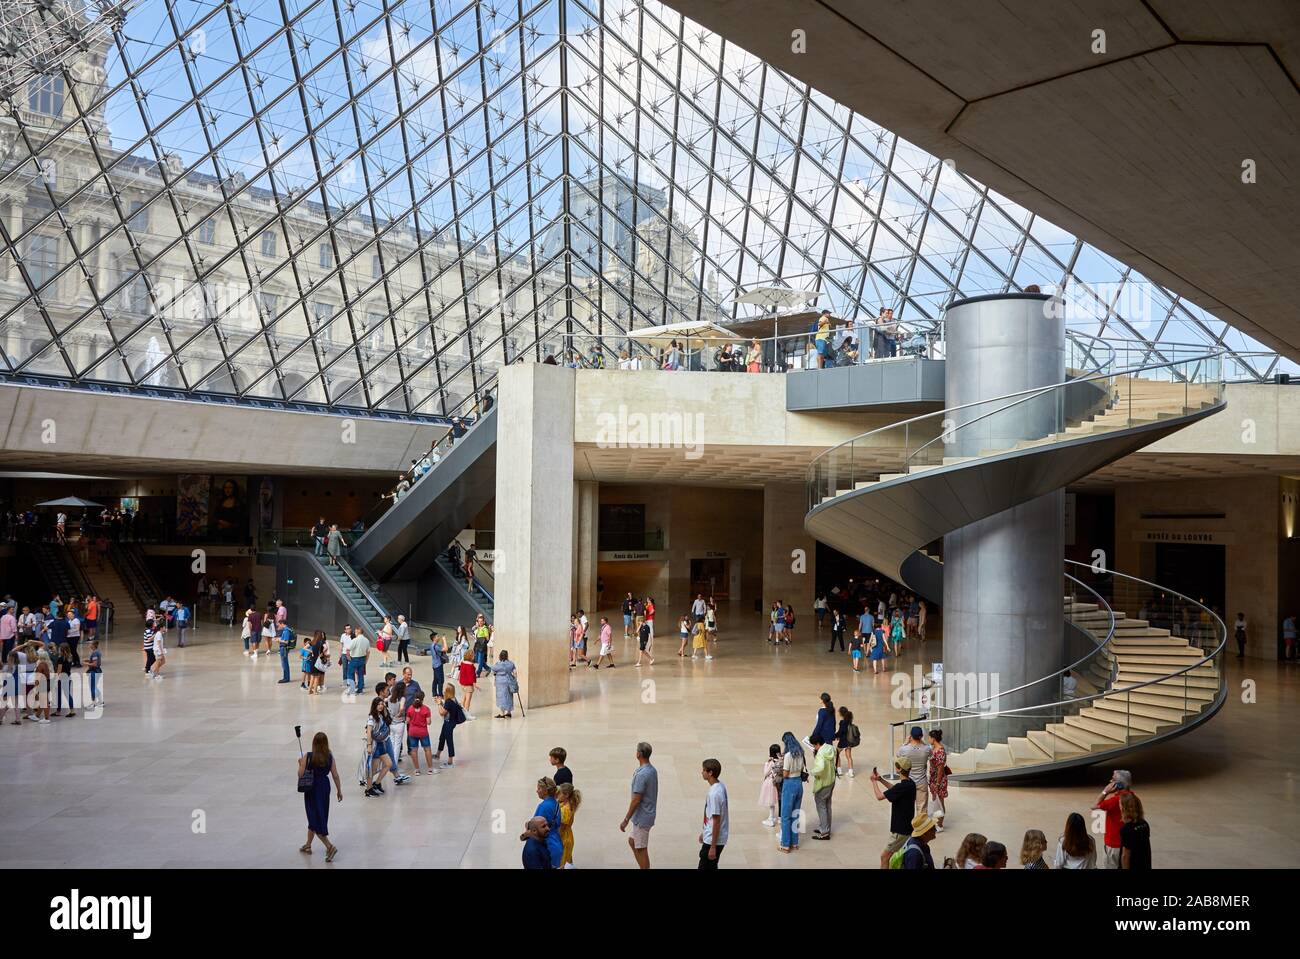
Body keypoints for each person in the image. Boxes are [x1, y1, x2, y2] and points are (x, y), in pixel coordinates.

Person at [298, 731, 342, 861]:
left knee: (314, 818)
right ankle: (308, 845)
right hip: (324, 786)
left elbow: (300, 774)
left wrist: (300, 764)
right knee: (318, 815)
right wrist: (339, 790)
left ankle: (329, 847)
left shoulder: (308, 756)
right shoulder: (329, 756)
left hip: (312, 788)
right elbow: (335, 775)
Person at [871, 757, 916, 868]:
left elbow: (879, 796)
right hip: (907, 827)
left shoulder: (901, 787)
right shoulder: (911, 784)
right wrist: (880, 780)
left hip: (900, 830)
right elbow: (894, 790)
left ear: (899, 769)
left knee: (884, 857)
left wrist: (873, 782)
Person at [619, 741, 658, 868]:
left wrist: (626, 819)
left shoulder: (642, 774)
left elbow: (636, 800)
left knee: (641, 849)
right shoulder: (652, 770)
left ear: (639, 754)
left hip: (642, 817)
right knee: (632, 841)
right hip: (646, 815)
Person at [1093, 769, 1135, 869]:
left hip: (1113, 844)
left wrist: (1105, 792)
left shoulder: (1114, 801)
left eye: (1113, 779)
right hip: (1129, 843)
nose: (1110, 781)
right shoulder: (1134, 797)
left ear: (1118, 784)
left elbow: (1095, 805)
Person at [697, 758, 729, 869]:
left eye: (704, 770)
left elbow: (716, 820)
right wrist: (704, 832)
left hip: (713, 840)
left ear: (710, 773)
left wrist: (713, 846)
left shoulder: (715, 794)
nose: (702, 772)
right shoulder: (720, 786)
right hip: (710, 836)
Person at [777, 732, 806, 853]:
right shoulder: (800, 753)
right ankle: (794, 843)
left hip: (789, 784)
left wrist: (781, 766)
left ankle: (785, 845)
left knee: (785, 816)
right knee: (795, 814)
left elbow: (785, 774)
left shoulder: (789, 755)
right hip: (799, 783)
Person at [363, 696, 394, 797]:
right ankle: (368, 789)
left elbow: (389, 721)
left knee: (388, 764)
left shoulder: (381, 715)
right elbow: (369, 731)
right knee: (373, 769)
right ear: (374, 705)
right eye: (379, 704)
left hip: (381, 744)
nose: (380, 706)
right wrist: (369, 745)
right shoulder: (372, 717)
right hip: (375, 745)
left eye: (382, 704)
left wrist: (385, 710)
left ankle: (376, 783)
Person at [897, 726, 932, 815]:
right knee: (922, 809)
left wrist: (905, 743)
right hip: (921, 782)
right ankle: (921, 827)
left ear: (910, 736)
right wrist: (922, 742)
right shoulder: (926, 749)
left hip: (908, 782)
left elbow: (898, 756)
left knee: (907, 807)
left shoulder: (904, 749)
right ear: (921, 736)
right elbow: (931, 754)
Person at [808, 733, 836, 841]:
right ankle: (825, 827)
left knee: (821, 806)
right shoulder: (830, 748)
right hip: (831, 781)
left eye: (814, 745)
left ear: (818, 744)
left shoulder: (820, 754)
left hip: (823, 783)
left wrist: (813, 772)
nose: (814, 747)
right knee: (827, 805)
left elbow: (820, 768)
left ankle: (824, 832)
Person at [534, 777, 566, 868]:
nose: (537, 791)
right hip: (556, 843)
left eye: (539, 788)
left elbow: (535, 827)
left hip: (547, 847)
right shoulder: (556, 804)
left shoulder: (543, 806)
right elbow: (558, 824)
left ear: (545, 791)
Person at [405, 692, 437, 776]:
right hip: (423, 732)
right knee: (427, 749)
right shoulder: (426, 709)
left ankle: (417, 770)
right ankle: (430, 769)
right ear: (423, 699)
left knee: (414, 750)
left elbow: (407, 721)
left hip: (412, 732)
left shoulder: (410, 708)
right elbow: (428, 722)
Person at [433, 683, 464, 767]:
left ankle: (450, 761)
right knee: (442, 737)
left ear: (448, 692)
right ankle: (438, 754)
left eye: (444, 690)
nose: (443, 691)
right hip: (450, 722)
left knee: (449, 741)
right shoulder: (453, 699)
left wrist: (439, 703)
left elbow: (442, 713)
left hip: (449, 723)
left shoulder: (449, 701)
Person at [1119, 793, 1152, 870]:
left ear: (1124, 808)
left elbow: (1125, 856)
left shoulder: (1127, 829)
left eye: (1120, 804)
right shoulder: (1144, 824)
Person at [926, 729, 948, 831]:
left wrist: (938, 783)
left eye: (929, 737)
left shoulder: (940, 751)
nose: (928, 739)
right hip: (934, 779)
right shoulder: (934, 748)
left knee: (940, 802)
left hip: (939, 780)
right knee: (936, 801)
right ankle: (936, 822)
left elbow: (940, 769)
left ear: (933, 739)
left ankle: (940, 824)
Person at [557, 782, 582, 868]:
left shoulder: (566, 810)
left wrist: (555, 841)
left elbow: (562, 828)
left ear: (566, 795)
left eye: (559, 793)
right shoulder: (565, 804)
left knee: (562, 863)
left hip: (564, 838)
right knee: (566, 860)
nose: (558, 795)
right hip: (567, 836)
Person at [491, 649, 518, 718]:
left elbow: (493, 672)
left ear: (500, 656)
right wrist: (515, 680)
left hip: (500, 683)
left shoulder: (498, 664)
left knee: (501, 697)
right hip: (509, 682)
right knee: (509, 696)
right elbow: (515, 672)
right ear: (507, 656)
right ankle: (509, 712)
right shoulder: (511, 664)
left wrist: (496, 674)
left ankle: (502, 713)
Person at [759, 743, 781, 826]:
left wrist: (766, 764)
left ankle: (771, 818)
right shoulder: (780, 761)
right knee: (773, 800)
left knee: (770, 800)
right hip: (777, 782)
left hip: (770, 782)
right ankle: (772, 816)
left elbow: (765, 773)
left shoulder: (771, 762)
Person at [834, 707, 858, 778]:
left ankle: (839, 770)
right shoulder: (849, 722)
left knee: (837, 754)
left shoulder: (842, 722)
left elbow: (841, 732)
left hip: (843, 741)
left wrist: (835, 736)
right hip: (849, 742)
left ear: (841, 714)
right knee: (849, 756)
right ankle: (851, 772)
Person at [457, 647, 478, 719]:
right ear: (471, 656)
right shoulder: (470, 666)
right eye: (473, 655)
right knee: (468, 700)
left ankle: (461, 713)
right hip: (468, 684)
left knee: (464, 698)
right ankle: (466, 715)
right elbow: (471, 676)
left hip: (462, 683)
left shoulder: (463, 663)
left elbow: (461, 669)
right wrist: (475, 684)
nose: (474, 656)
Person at [276, 618, 293, 685]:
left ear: (282, 624)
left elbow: (286, 641)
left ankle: (286, 678)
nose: (278, 626)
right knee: (284, 663)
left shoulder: (286, 631)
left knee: (284, 663)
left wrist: (278, 640)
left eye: (279, 625)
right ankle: (286, 677)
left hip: (284, 648)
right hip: (284, 648)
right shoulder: (287, 630)